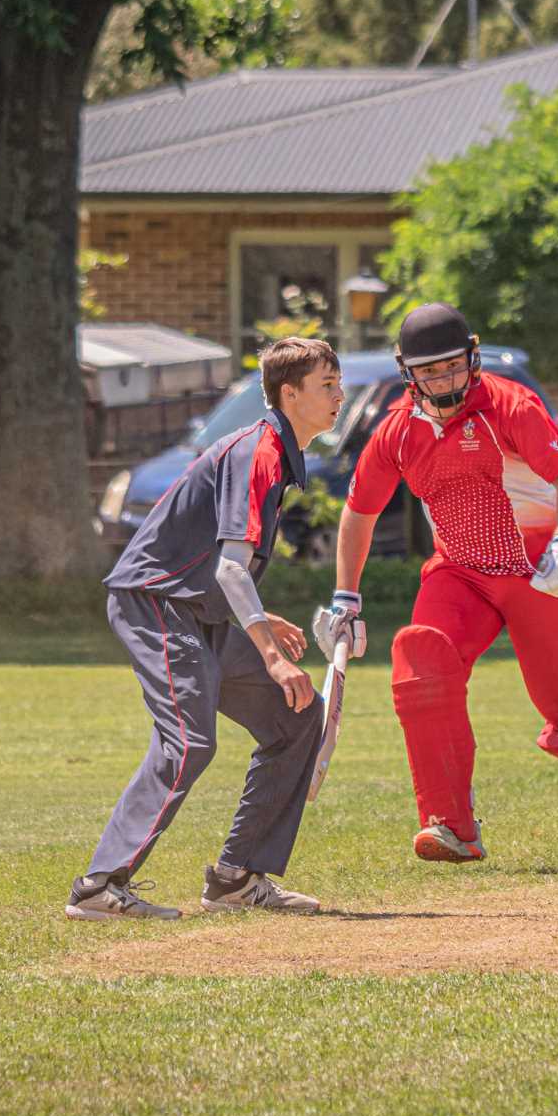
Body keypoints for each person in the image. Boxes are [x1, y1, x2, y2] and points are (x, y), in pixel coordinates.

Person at [315, 303, 558, 863]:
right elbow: (360, 512)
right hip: (460, 572)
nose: (442, 381)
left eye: (451, 367)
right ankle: (451, 826)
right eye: (428, 372)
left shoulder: (509, 405)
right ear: (407, 373)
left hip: (538, 575)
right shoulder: (397, 430)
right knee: (420, 658)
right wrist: (345, 597)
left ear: (472, 357)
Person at [66, 336, 343, 920]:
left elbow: (215, 559)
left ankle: (237, 878)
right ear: (288, 394)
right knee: (189, 740)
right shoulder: (259, 451)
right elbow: (228, 566)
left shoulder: (278, 450)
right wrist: (270, 652)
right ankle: (99, 886)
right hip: (156, 605)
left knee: (297, 714)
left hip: (199, 607)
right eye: (328, 385)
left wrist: (257, 616)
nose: (339, 396)